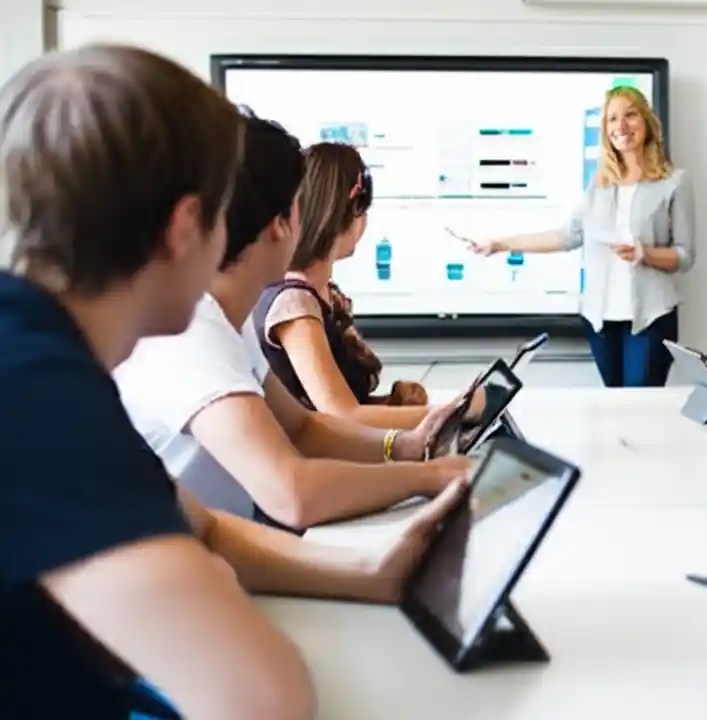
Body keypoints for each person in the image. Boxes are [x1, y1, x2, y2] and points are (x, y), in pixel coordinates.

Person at [0, 44, 464, 720]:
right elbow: (264, 698)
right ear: (184, 227)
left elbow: (202, 527)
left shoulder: (38, 351)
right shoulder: (38, 392)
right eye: (225, 215)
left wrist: (371, 572)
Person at [114, 110, 470, 534]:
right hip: (189, 558)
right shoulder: (191, 334)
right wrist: (428, 476)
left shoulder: (226, 316)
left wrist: (406, 445)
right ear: (282, 224)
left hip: (223, 542)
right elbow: (292, 495)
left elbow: (301, 428)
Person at [468, 85, 694, 388]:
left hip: (650, 317)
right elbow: (567, 236)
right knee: (613, 405)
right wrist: (500, 244)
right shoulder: (599, 185)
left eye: (630, 115)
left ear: (647, 122)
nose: (621, 125)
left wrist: (645, 253)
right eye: (612, 119)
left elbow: (685, 256)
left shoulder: (674, 182)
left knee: (639, 405)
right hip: (600, 321)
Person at [255, 142, 432, 429]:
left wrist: (392, 405)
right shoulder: (294, 304)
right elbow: (342, 415)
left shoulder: (318, 294)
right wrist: (458, 410)